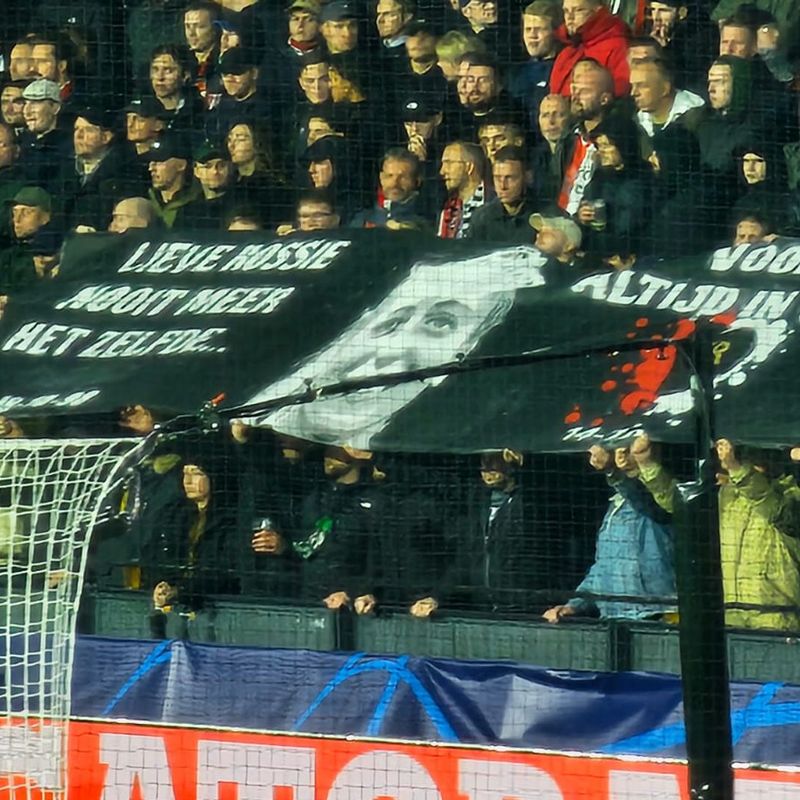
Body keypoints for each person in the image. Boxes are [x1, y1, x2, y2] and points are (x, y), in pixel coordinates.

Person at [238, 245, 546, 447]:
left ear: (463, 351)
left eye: (440, 324)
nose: (392, 349)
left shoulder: (429, 451)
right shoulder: (263, 437)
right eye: (391, 322)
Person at [642, 438, 800, 631]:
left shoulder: (790, 494)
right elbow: (681, 505)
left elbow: (775, 510)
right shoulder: (726, 496)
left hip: (778, 620)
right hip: (730, 618)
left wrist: (738, 470)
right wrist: (647, 465)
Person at [543, 436, 676, 623]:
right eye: (618, 451)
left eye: (628, 450)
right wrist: (574, 605)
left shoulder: (668, 497)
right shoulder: (614, 506)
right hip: (614, 617)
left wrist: (614, 473)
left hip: (655, 615)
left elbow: (651, 505)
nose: (621, 456)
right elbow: (603, 568)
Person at [554, 59, 615, 215]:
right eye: (574, 89)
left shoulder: (614, 140)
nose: (575, 96)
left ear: (604, 99)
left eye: (585, 91)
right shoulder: (568, 137)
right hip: (558, 220)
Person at [549, 0, 630, 98]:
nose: (570, 17)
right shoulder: (566, 52)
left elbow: (621, 94)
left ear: (598, 11)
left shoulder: (618, 46)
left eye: (578, 10)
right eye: (566, 11)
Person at [508, 0, 564, 128]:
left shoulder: (565, 68)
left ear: (556, 32)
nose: (532, 36)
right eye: (528, 29)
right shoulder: (516, 74)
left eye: (539, 29)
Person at [467, 145, 538, 243]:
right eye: (497, 178)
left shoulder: (546, 216)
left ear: (527, 177)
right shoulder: (482, 218)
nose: (503, 186)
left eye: (510, 178)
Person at [350, 147, 431, 230]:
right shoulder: (361, 220)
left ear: (417, 180)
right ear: (381, 178)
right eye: (389, 176)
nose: (394, 183)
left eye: (403, 177)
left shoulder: (428, 220)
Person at [18, 79, 69, 190]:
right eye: (25, 103)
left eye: (35, 103)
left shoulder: (68, 147)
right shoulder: (21, 142)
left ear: (55, 108)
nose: (27, 111)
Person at [145, 136, 202, 229]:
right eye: (151, 162)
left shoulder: (199, 203)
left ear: (181, 165)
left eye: (159, 162)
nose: (151, 168)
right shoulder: (145, 202)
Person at [437, 141, 488, 238]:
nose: (442, 171)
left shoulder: (491, 202)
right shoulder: (448, 209)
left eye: (448, 163)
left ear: (469, 167)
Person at [183, 0, 222, 105]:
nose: (191, 33)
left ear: (215, 28)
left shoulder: (224, 62)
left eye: (199, 27)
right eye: (187, 26)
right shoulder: (180, 61)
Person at [278, 189, 342, 234]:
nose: (311, 220)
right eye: (305, 216)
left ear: (335, 219)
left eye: (318, 215)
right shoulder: (290, 241)